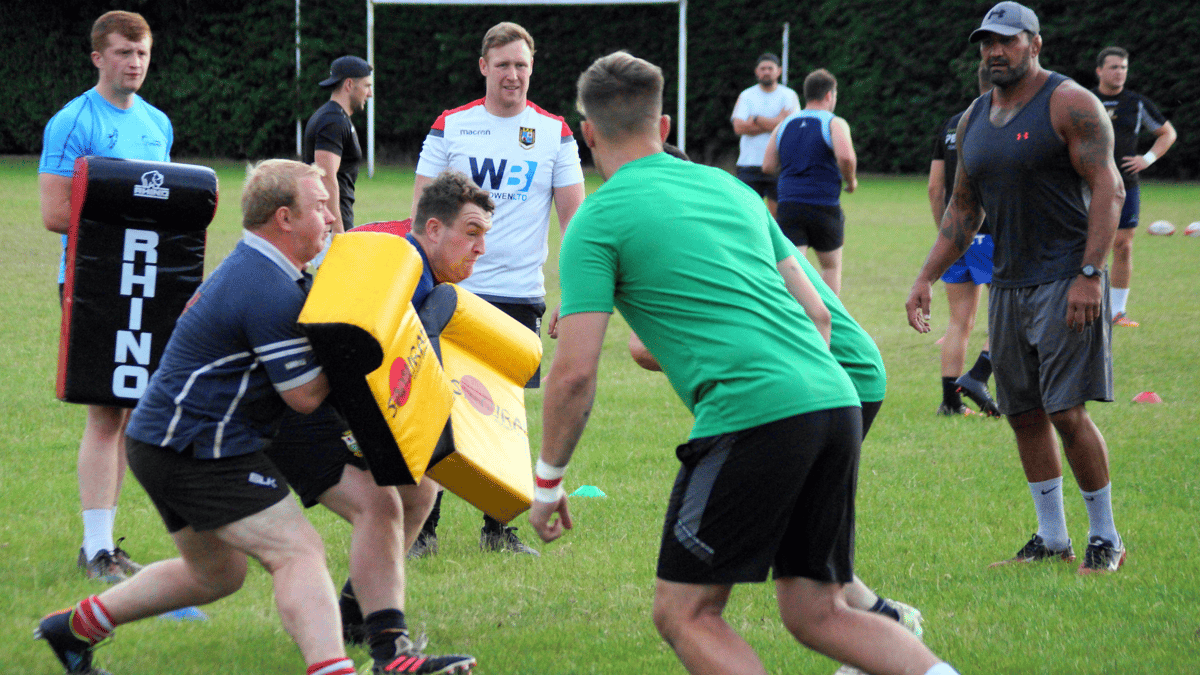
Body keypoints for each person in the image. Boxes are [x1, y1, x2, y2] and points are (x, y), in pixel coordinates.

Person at [531, 50, 960, 675]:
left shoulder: (595, 220)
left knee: (685, 613)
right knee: (819, 612)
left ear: (587, 133)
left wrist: (547, 482)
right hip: (834, 397)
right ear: (665, 127)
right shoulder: (728, 186)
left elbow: (572, 374)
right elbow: (818, 314)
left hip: (754, 414)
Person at [36, 160, 359, 675]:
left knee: (216, 575)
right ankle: (331, 667)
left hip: (164, 442)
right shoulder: (265, 286)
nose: (331, 216)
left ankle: (73, 627)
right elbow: (304, 397)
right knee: (298, 552)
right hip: (195, 447)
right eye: (320, 207)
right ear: (284, 219)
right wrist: (360, 354)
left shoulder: (269, 271)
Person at [906, 2, 1127, 574]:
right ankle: (1052, 537)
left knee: (1066, 412)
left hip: (1064, 278)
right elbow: (962, 210)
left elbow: (1111, 189)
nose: (993, 51)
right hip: (1007, 282)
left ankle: (1106, 537)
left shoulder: (1069, 103)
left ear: (1035, 44)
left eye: (1006, 40)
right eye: (987, 42)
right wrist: (926, 275)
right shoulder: (974, 118)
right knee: (1023, 413)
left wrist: (1089, 273)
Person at [264, 171, 486, 674]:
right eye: (471, 233)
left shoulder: (417, 272)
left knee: (420, 488)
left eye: (484, 237)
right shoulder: (392, 267)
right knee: (380, 505)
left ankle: (354, 614)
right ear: (433, 229)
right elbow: (359, 367)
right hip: (297, 411)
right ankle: (390, 646)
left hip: (329, 404)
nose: (480, 249)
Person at [409, 21, 585, 557]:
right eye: (503, 64)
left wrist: (571, 295)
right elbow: (420, 214)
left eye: (522, 66)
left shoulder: (554, 132)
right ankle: (424, 529)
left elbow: (574, 221)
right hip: (450, 291)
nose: (513, 75)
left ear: (532, 70)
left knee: (505, 414)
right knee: (434, 404)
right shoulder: (452, 126)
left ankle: (498, 528)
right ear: (484, 67)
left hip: (517, 293)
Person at [38, 9, 173, 583]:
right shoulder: (73, 120)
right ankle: (94, 550)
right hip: (93, 281)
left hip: (146, 277)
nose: (134, 62)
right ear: (99, 58)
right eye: (123, 53)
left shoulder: (158, 123)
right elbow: (54, 212)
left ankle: (105, 544)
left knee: (127, 411)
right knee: (104, 408)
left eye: (141, 53)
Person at [928, 63, 1000, 417]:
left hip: (955, 234)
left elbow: (934, 188)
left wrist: (947, 236)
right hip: (991, 233)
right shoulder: (1001, 119)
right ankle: (979, 376)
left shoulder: (953, 122)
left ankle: (951, 403)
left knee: (959, 321)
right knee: (1010, 319)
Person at [1092, 46, 1177, 327]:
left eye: (1124, 67)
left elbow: (1168, 133)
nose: (1120, 72)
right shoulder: (1084, 100)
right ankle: (1083, 304)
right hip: (1087, 184)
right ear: (1100, 71)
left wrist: (1147, 159)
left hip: (1125, 185)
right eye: (1114, 67)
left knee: (1123, 245)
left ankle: (1117, 312)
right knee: (1084, 245)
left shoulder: (1137, 103)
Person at [763, 68, 858, 295]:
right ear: (829, 95)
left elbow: (767, 165)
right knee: (831, 266)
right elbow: (845, 156)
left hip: (789, 204)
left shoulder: (783, 125)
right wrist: (851, 180)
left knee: (794, 267)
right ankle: (830, 320)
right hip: (823, 204)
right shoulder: (834, 123)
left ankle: (797, 318)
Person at [304, 55, 372, 234]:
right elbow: (325, 176)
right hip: (329, 225)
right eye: (366, 86)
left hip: (332, 220)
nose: (370, 93)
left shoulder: (337, 117)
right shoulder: (332, 121)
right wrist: (337, 228)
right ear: (349, 85)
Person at [730, 53, 799, 217]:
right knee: (747, 215)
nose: (766, 72)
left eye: (770, 68)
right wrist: (776, 122)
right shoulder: (747, 96)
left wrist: (756, 119)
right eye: (762, 69)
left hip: (779, 164)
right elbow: (739, 128)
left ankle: (772, 244)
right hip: (749, 164)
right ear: (756, 71)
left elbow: (791, 127)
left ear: (779, 71)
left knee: (778, 217)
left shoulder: (789, 96)